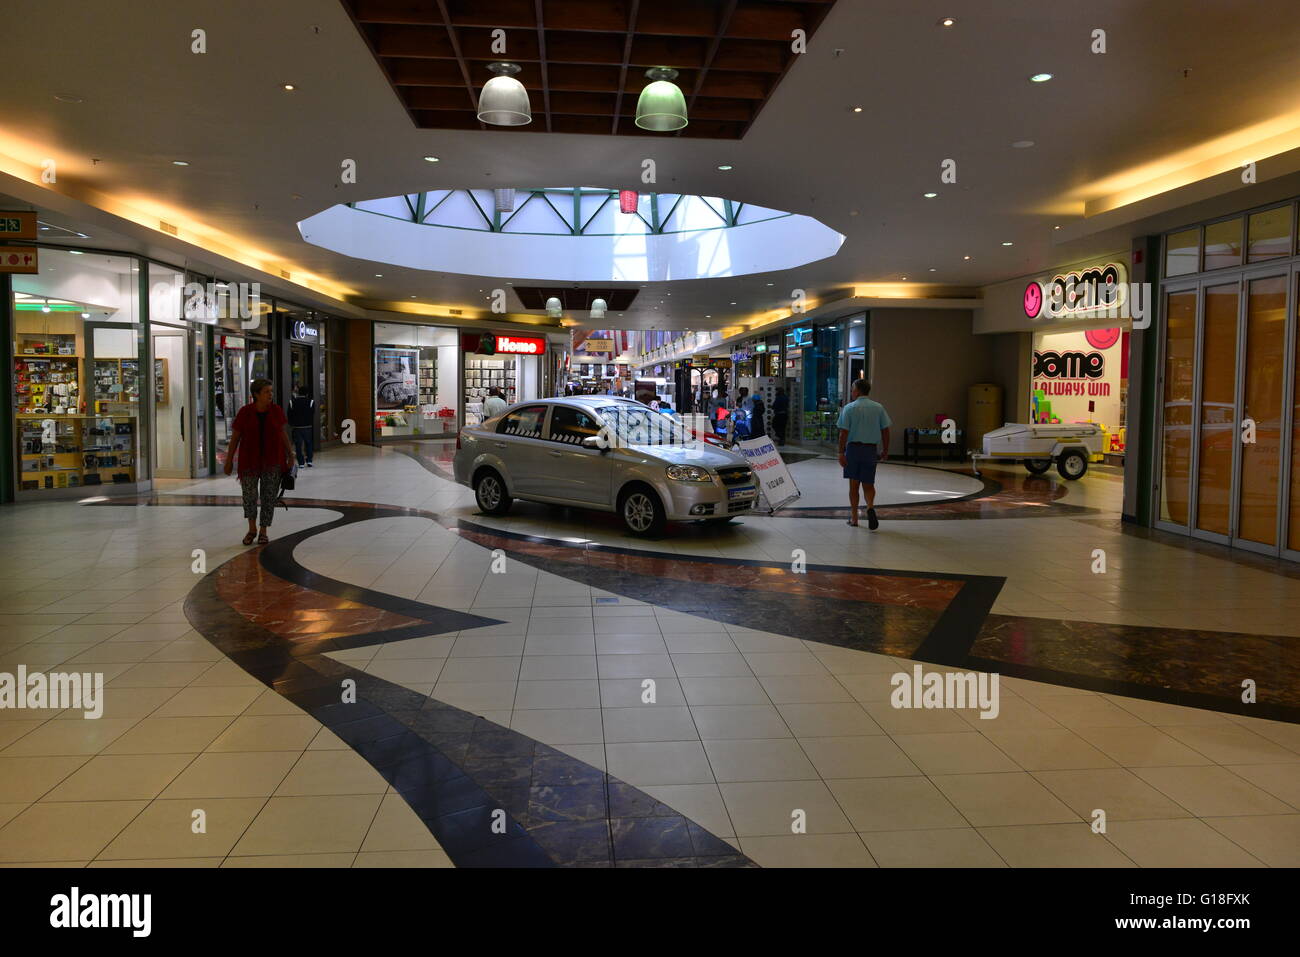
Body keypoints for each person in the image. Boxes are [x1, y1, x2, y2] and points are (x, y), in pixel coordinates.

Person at [224, 378, 292, 546]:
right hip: (249, 461)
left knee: (269, 497)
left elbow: (282, 433)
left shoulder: (276, 411)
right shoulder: (245, 412)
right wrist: (229, 459)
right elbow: (235, 438)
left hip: (272, 460)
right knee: (249, 496)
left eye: (271, 391)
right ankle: (252, 529)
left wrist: (290, 454)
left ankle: (263, 531)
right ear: (256, 394)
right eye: (267, 392)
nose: (271, 395)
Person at [836, 378, 891, 530]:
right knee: (868, 483)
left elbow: (843, 433)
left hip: (853, 449)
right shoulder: (878, 408)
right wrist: (885, 450)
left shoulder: (849, 408)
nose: (852, 392)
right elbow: (885, 431)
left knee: (854, 485)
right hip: (870, 450)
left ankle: (854, 518)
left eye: (853, 389)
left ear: (858, 391)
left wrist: (841, 452)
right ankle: (870, 507)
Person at [288, 384, 315, 468]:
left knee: (298, 445)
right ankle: (309, 460)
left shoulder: (292, 402)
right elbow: (312, 413)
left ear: (298, 393)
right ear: (307, 393)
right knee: (309, 443)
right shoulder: (311, 402)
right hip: (307, 426)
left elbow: (289, 414)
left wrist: (292, 424)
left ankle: (301, 463)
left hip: (296, 427)